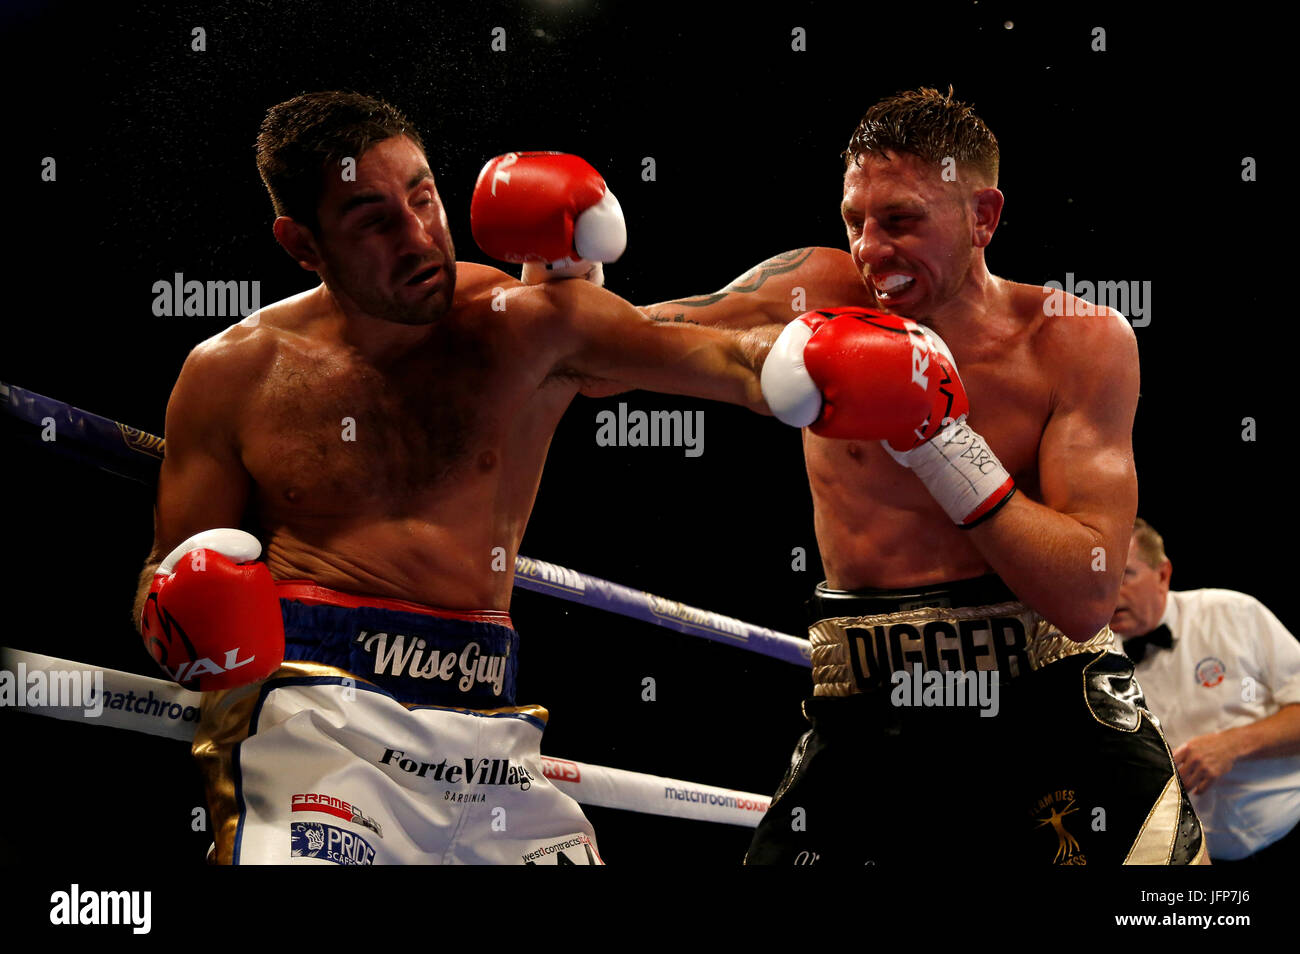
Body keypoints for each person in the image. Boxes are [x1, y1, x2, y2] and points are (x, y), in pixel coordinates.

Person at [133, 91, 769, 865]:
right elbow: (164, 587)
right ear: (302, 243)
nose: (418, 237)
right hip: (318, 729)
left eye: (424, 197)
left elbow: (736, 363)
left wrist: (850, 363)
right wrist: (195, 626)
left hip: (488, 738)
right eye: (372, 219)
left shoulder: (520, 321)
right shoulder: (230, 376)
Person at [637, 87, 1205, 864]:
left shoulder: (1074, 341)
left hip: (1050, 710)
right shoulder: (815, 296)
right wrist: (558, 270)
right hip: (868, 710)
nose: (870, 248)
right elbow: (614, 350)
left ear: (983, 218)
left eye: (900, 220)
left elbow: (1084, 597)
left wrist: (938, 439)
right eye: (854, 220)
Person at [1112, 518, 1300, 863]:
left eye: (1125, 575)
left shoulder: (1233, 614)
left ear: (1163, 574)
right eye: (1101, 579)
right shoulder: (1099, 658)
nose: (1110, 592)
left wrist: (1233, 745)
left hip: (1287, 835)